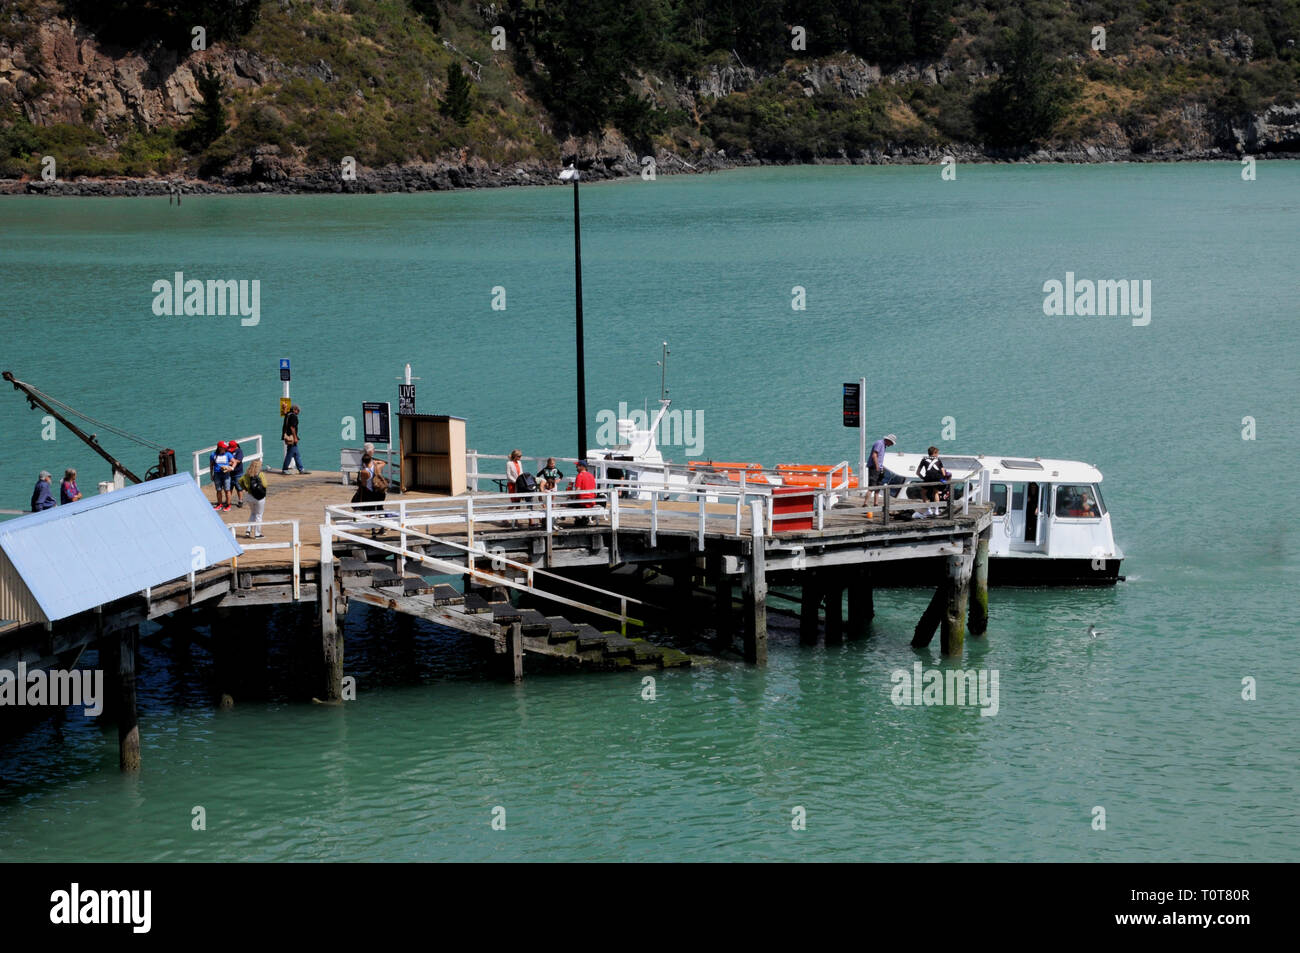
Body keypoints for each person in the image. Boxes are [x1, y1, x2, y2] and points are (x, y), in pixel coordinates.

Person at [354, 452, 388, 537]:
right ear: (371, 460)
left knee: (371, 510)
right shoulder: (378, 467)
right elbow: (384, 462)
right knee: (380, 509)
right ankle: (382, 529)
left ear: (363, 462)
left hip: (370, 492)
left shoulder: (364, 471)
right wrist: (376, 462)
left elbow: (364, 484)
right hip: (380, 491)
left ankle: (373, 531)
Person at [915, 446, 950, 518]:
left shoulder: (924, 459)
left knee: (923, 493)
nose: (938, 455)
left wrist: (923, 478)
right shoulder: (938, 460)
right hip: (938, 478)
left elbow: (917, 472)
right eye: (937, 453)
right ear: (934, 453)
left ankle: (929, 510)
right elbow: (943, 473)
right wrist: (944, 479)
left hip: (928, 478)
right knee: (936, 492)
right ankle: (936, 510)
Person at [238, 460, 268, 537]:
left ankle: (248, 531)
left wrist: (245, 488)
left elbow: (240, 481)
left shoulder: (246, 475)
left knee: (253, 513)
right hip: (259, 498)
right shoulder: (260, 474)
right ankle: (257, 534)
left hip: (250, 496)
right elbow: (265, 484)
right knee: (259, 515)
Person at [281, 404, 310, 475]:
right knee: (290, 454)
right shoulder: (293, 416)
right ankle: (285, 469)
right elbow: (292, 428)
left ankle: (301, 469)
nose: (298, 412)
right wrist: (295, 437)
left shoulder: (288, 414)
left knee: (296, 454)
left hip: (287, 436)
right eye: (298, 410)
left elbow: (285, 413)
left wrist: (284, 407)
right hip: (291, 437)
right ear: (294, 410)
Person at [868, 433, 896, 505]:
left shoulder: (884, 445)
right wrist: (877, 466)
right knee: (871, 486)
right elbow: (874, 455)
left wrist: (881, 467)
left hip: (879, 467)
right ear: (888, 440)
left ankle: (876, 503)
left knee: (878, 486)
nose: (892, 445)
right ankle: (865, 503)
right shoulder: (879, 443)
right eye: (892, 443)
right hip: (874, 467)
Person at [212, 441, 235, 512]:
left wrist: (231, 468)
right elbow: (211, 465)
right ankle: (219, 504)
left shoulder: (228, 454)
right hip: (217, 474)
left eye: (225, 448)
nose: (225, 449)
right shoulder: (213, 455)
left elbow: (234, 462)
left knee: (227, 490)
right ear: (219, 448)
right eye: (224, 448)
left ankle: (228, 505)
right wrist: (211, 474)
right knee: (218, 490)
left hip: (226, 474)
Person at [573, 459, 597, 526]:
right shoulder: (591, 476)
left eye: (578, 466)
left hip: (582, 503)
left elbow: (577, 490)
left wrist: (571, 496)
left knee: (566, 503)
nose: (576, 467)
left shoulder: (579, 475)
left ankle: (578, 519)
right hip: (591, 502)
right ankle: (583, 518)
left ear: (582, 467)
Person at [228, 440, 245, 507]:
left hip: (238, 473)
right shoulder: (228, 450)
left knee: (239, 488)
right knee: (229, 488)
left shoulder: (239, 451)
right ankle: (228, 501)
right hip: (229, 473)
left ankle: (240, 500)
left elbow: (238, 460)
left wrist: (230, 463)